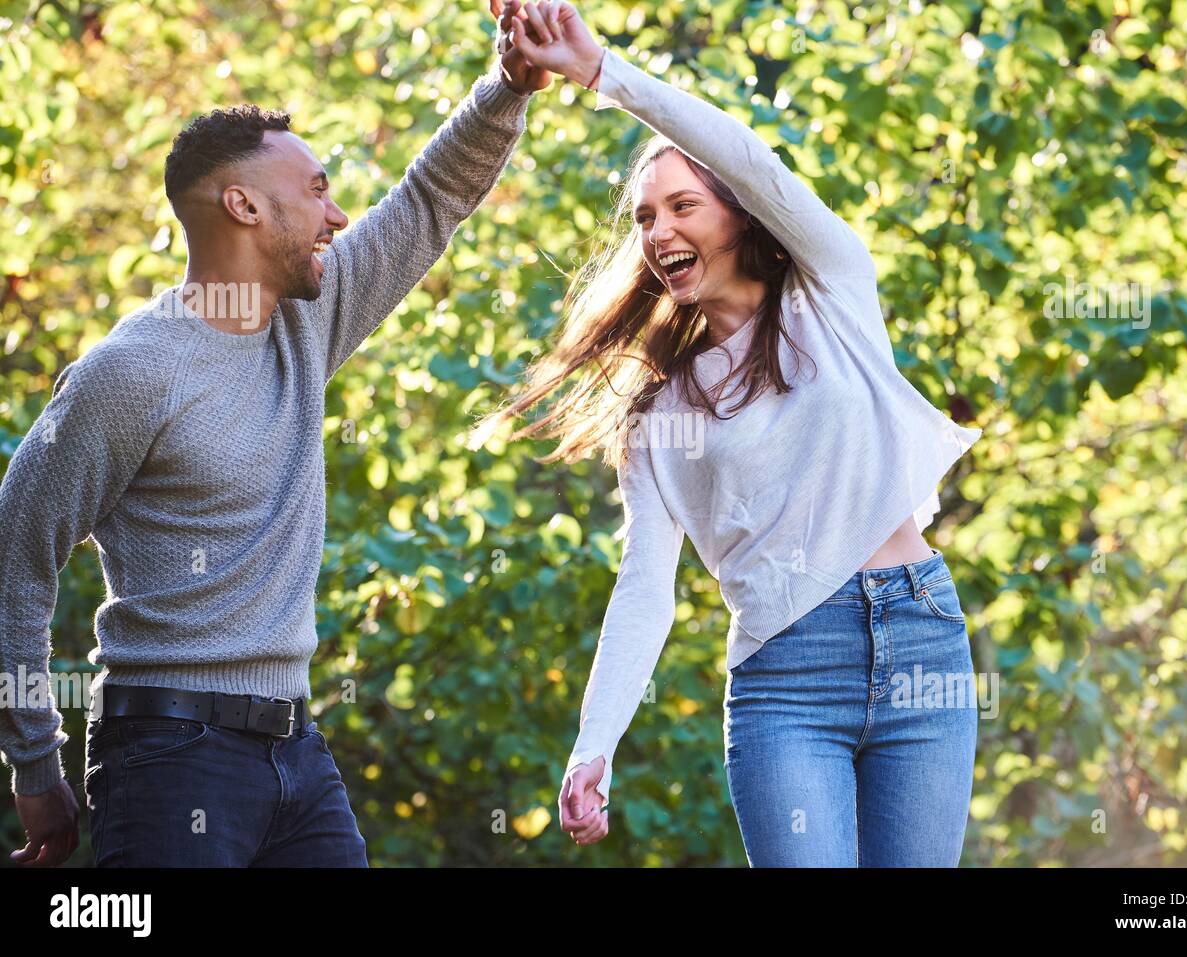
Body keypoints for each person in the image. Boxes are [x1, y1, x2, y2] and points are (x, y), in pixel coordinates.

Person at [0, 8, 548, 867]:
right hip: (166, 760)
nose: (337, 215)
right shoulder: (130, 372)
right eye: (318, 189)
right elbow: (14, 553)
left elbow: (431, 201)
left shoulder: (308, 319)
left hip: (297, 751)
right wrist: (35, 764)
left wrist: (510, 84)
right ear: (243, 204)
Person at [486, 0, 983, 866]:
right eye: (644, 219)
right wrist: (593, 741)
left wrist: (603, 74)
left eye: (682, 206)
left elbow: (747, 158)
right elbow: (645, 585)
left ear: (741, 215)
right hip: (787, 680)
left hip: (921, 638)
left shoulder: (832, 291)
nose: (659, 231)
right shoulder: (662, 414)